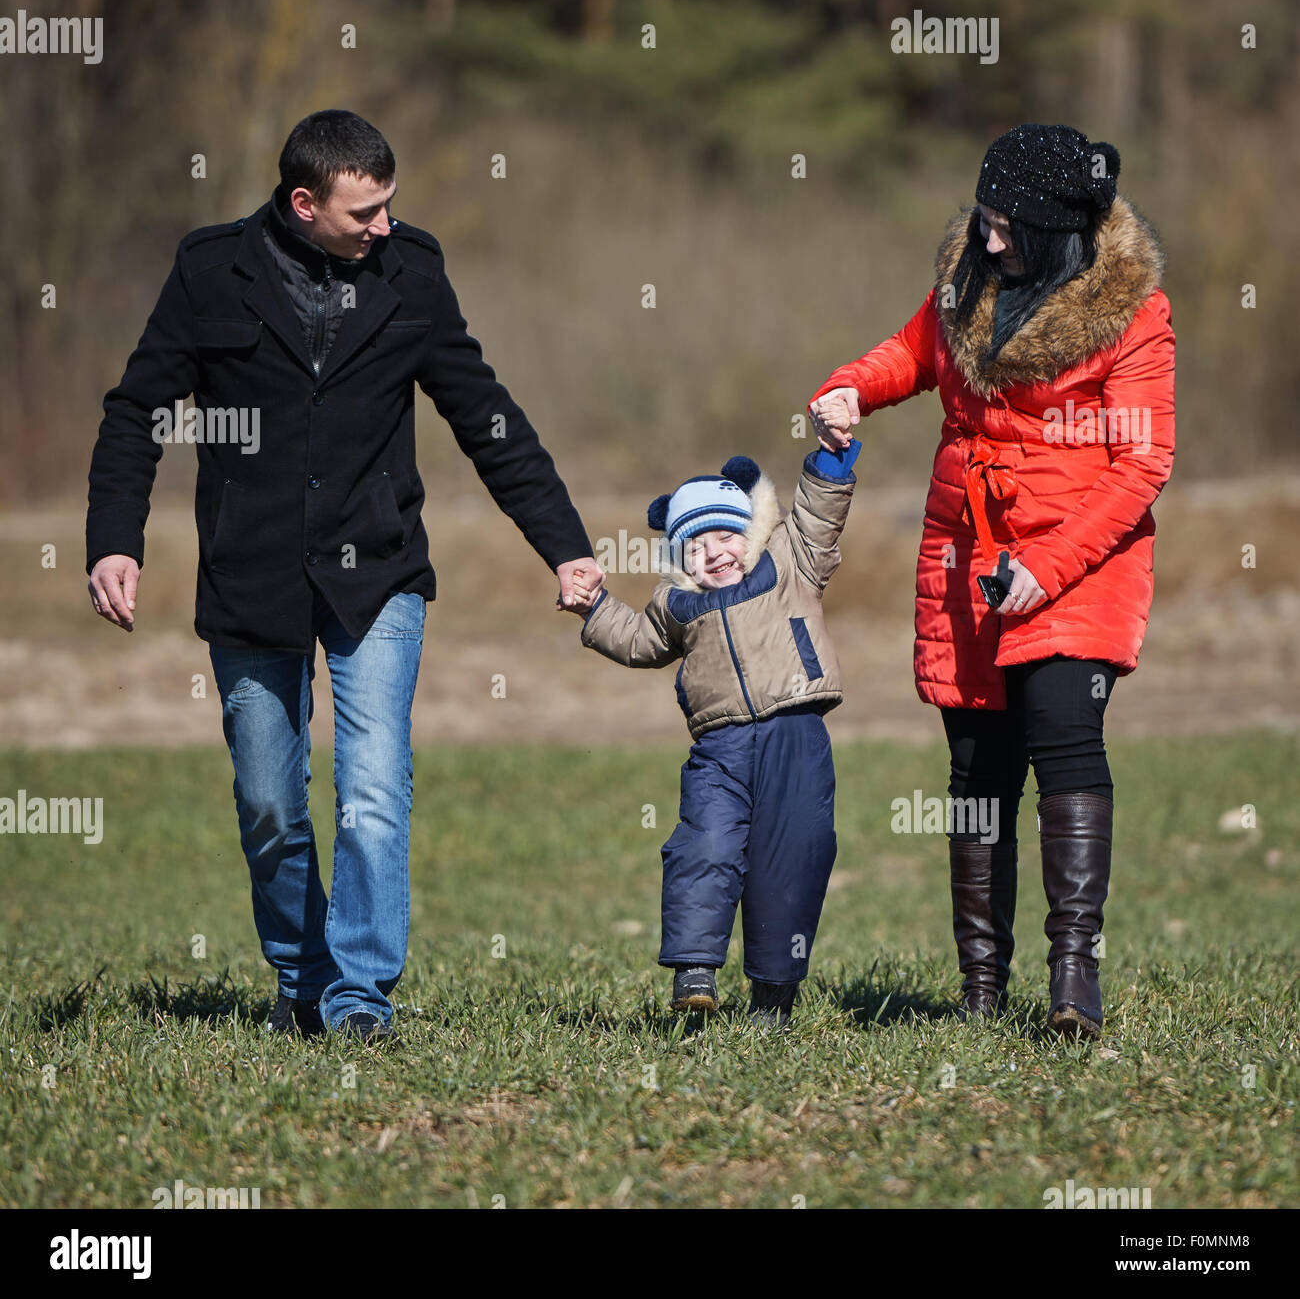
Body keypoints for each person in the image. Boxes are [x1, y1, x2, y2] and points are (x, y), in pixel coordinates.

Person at [85, 109, 604, 1043]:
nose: (383, 227)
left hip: (380, 573)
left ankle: (360, 997)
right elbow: (137, 411)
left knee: (371, 790)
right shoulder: (211, 271)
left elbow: (485, 417)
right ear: (303, 202)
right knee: (271, 804)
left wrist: (562, 543)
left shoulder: (413, 272)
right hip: (251, 578)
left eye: (390, 206)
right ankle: (303, 976)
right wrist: (114, 538)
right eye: (364, 212)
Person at [808, 124, 1175, 1040]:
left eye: (1006, 223)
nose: (988, 235)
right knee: (976, 772)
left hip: (1079, 561)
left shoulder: (1132, 318)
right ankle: (979, 990)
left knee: (1064, 741)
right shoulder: (969, 280)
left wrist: (1045, 570)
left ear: (1055, 232)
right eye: (983, 215)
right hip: (966, 558)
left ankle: (1071, 979)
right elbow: (911, 353)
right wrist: (853, 385)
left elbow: (1141, 467)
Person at [569, 440, 860, 1027]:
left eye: (725, 537)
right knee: (703, 846)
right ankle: (695, 970)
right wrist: (593, 607)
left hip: (795, 737)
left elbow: (820, 509)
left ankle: (774, 995)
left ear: (751, 532)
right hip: (720, 750)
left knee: (794, 857)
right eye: (695, 547)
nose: (714, 554)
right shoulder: (677, 605)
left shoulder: (791, 561)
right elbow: (636, 641)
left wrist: (832, 456)